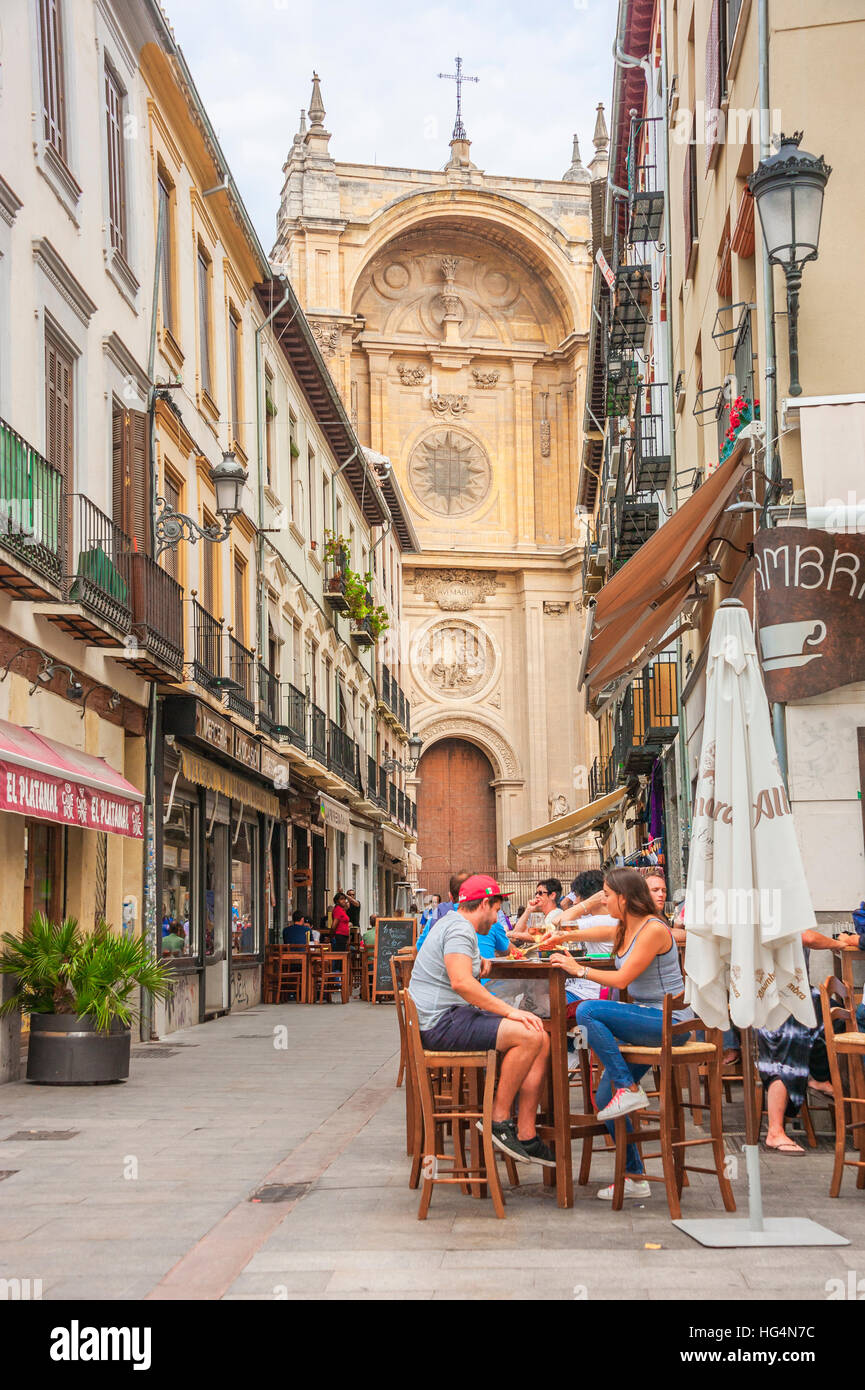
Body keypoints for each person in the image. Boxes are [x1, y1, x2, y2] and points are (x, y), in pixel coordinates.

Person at [547, 867, 691, 1200]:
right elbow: (599, 932)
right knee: (603, 1100)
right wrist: (564, 938)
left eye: (608, 895)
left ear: (624, 899)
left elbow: (623, 979)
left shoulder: (654, 929)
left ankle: (628, 1086)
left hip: (670, 1023)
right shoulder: (628, 927)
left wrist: (578, 969)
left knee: (587, 1010)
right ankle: (634, 1176)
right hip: (647, 1020)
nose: (604, 901)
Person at [409, 874, 554, 1166]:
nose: (498, 917)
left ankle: (525, 1133)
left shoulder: (454, 925)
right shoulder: (461, 930)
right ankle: (498, 1121)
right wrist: (510, 1010)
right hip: (442, 1022)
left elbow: (462, 969)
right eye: (498, 910)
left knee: (540, 1035)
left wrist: (480, 963)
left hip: (446, 1018)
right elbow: (461, 983)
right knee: (530, 1034)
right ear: (486, 903)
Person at [757, 926, 860, 1155]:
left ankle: (816, 1076)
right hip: (779, 996)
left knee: (831, 1020)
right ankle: (775, 1131)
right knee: (785, 1053)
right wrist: (840, 943)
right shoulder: (777, 899)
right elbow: (806, 937)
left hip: (791, 993)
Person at [416, 872, 471, 949]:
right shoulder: (427, 913)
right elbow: (422, 927)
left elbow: (419, 947)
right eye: (432, 902)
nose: (434, 904)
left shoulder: (439, 914)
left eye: (436, 902)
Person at [509, 879, 565, 943]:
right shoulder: (543, 915)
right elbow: (518, 931)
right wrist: (528, 910)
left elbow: (539, 936)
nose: (537, 896)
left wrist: (511, 934)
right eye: (536, 893)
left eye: (540, 893)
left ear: (552, 895)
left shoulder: (557, 914)